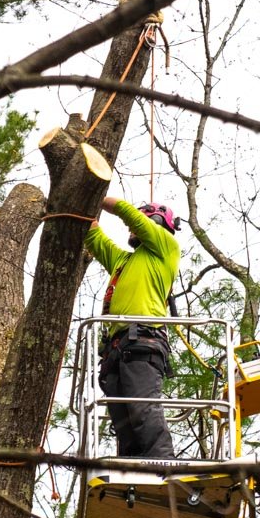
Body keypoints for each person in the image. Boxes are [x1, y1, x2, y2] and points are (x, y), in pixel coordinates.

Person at [85, 196, 180, 459]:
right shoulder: (123, 262)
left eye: (141, 221)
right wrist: (81, 207)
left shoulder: (166, 248)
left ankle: (164, 466)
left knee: (143, 409)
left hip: (142, 341)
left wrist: (99, 194)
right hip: (118, 348)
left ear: (157, 223)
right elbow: (95, 239)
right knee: (125, 421)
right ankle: (133, 468)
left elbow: (131, 216)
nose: (130, 229)